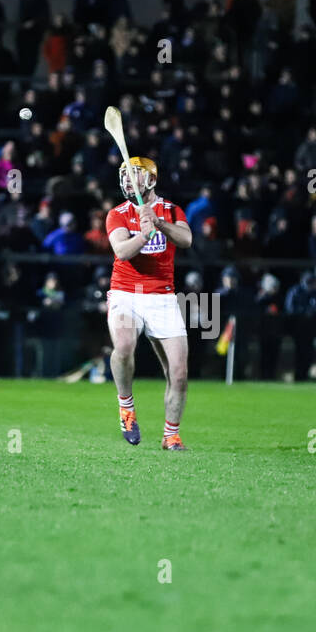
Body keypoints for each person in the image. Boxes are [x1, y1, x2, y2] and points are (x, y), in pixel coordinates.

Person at [104, 156, 193, 450]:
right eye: (125, 176)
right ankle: (126, 408)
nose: (128, 180)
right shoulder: (117, 214)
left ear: (151, 180)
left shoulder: (171, 210)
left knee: (179, 373)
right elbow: (121, 251)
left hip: (162, 296)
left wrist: (159, 224)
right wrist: (144, 235)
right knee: (124, 347)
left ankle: (171, 436)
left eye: (134, 175)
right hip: (125, 293)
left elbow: (186, 239)